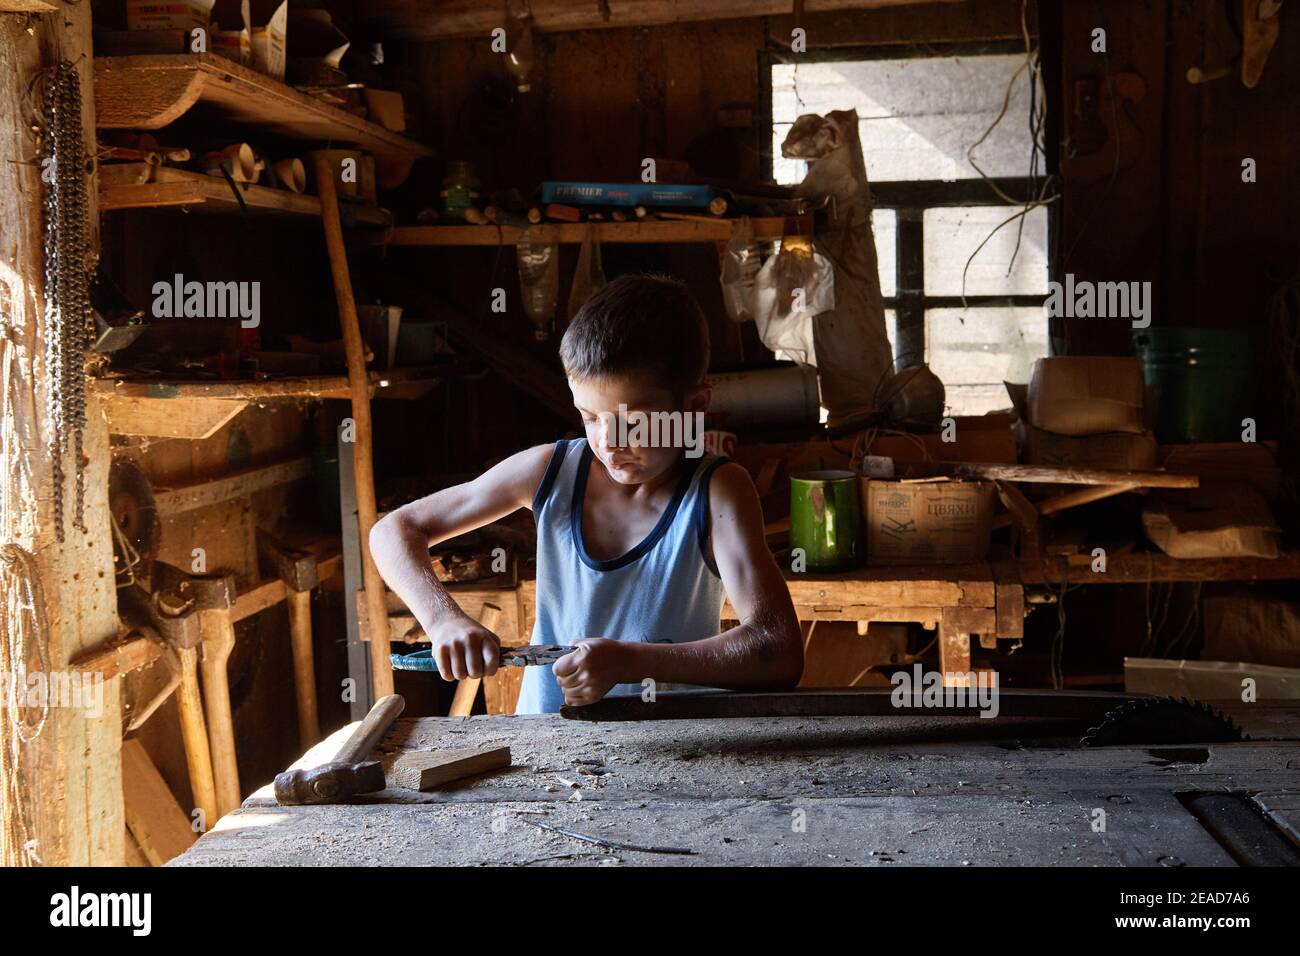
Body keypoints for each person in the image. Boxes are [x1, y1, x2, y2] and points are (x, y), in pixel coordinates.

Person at [370, 274, 803, 713]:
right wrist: (442, 619)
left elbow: (777, 649)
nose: (608, 442)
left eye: (632, 422)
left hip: (674, 755)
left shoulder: (716, 492)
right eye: (590, 417)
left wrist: (632, 662)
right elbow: (394, 530)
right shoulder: (550, 472)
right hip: (547, 751)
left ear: (693, 407)